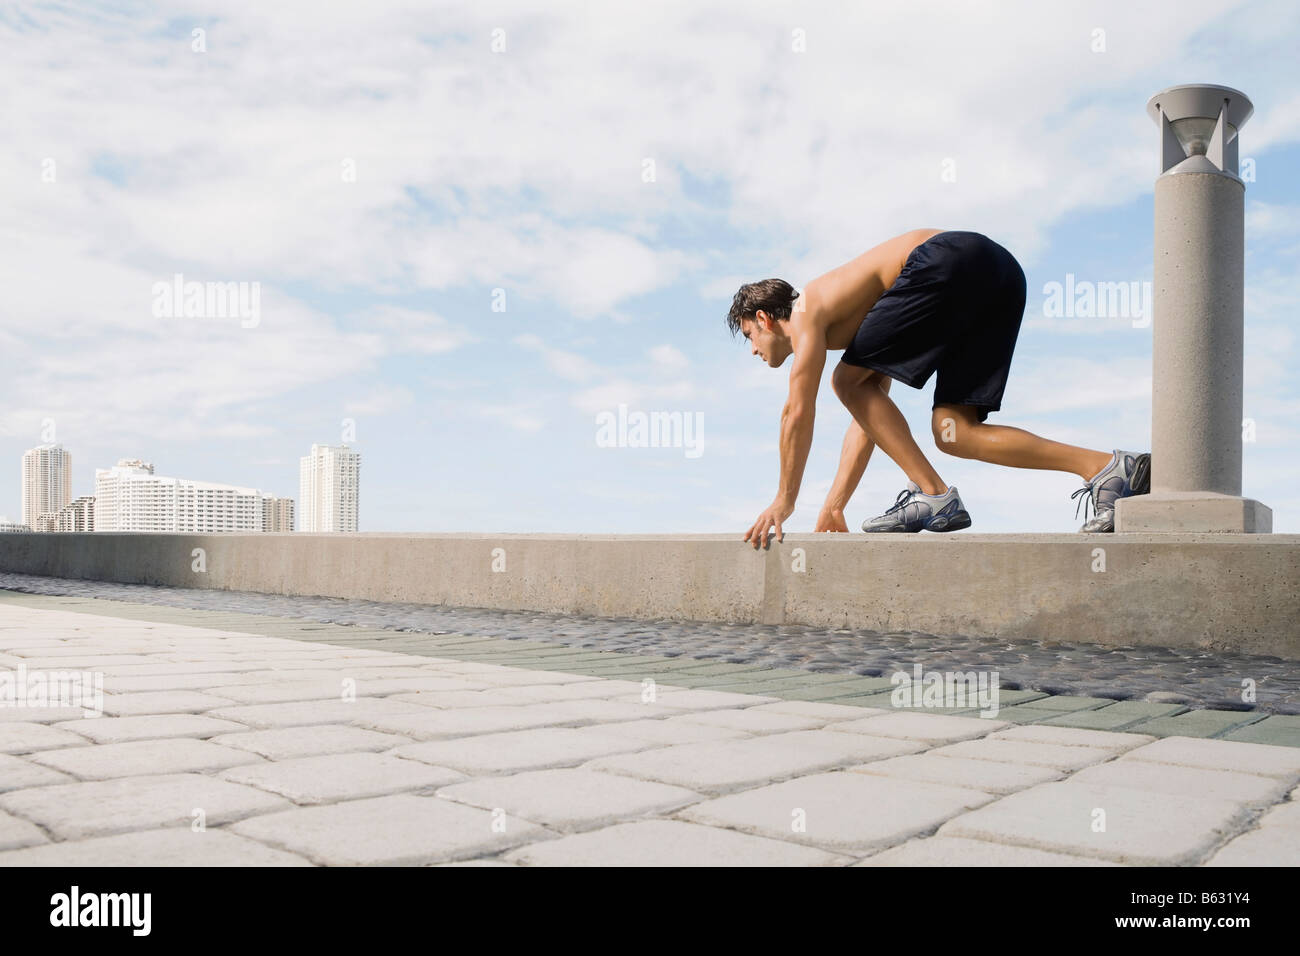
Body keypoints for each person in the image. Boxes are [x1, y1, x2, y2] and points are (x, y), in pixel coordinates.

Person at [729, 229, 1149, 549]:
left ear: (765, 318)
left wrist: (784, 501)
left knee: (843, 380)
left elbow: (796, 414)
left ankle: (934, 495)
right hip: (997, 272)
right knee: (953, 431)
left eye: (749, 335)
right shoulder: (862, 316)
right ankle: (1107, 469)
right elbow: (870, 420)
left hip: (947, 259)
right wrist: (836, 503)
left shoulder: (806, 314)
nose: (752, 350)